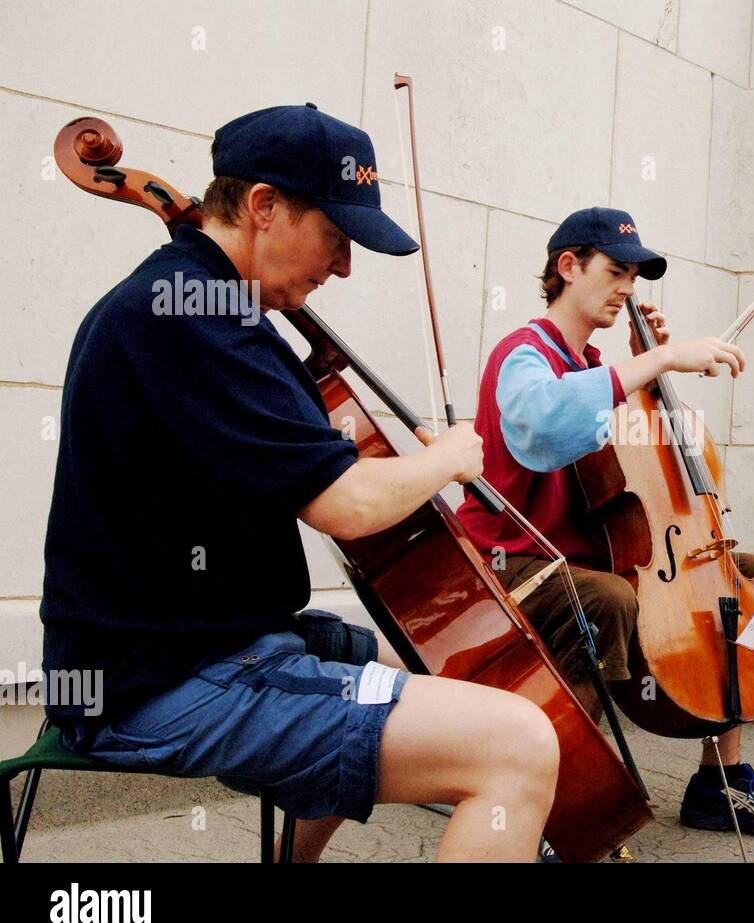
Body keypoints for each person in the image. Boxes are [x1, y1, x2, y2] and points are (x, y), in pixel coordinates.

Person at [40, 104, 559, 862]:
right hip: (155, 681)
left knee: (402, 665)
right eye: (336, 238)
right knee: (517, 744)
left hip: (202, 638)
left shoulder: (200, 300)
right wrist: (446, 458)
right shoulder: (197, 319)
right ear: (262, 206)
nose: (343, 267)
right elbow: (345, 505)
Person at [457, 207, 754, 839]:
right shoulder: (522, 354)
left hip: (599, 551)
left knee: (742, 577)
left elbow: (650, 465)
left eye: (634, 277)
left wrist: (647, 373)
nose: (627, 289)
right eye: (616, 271)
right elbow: (546, 425)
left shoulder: (595, 364)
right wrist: (653, 365)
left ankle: (718, 780)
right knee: (605, 602)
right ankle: (549, 809)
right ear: (568, 267)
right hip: (513, 554)